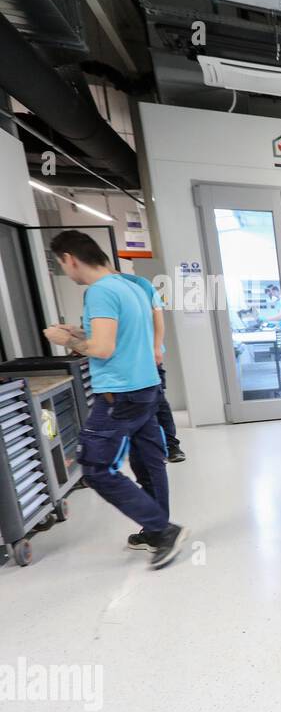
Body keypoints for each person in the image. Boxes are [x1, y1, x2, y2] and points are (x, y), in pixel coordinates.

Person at [42, 231, 189, 569]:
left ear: (70, 259)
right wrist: (82, 335)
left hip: (120, 395)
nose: (67, 272)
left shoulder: (100, 293)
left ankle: (163, 530)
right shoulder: (131, 287)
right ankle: (156, 531)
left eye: (63, 265)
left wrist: (64, 339)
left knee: (95, 468)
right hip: (146, 387)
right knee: (149, 463)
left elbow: (104, 349)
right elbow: (122, 338)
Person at [120, 273, 186, 462]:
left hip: (148, 357)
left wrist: (156, 347)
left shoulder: (140, 283)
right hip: (124, 361)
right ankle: (150, 449)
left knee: (158, 402)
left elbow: (158, 313)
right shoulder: (98, 290)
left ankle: (172, 446)